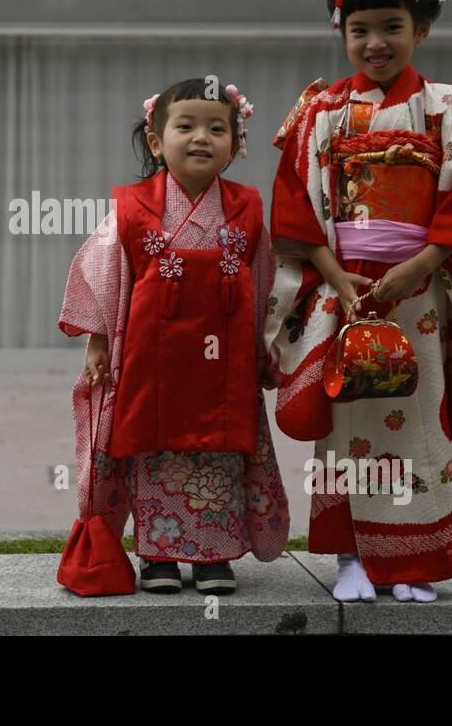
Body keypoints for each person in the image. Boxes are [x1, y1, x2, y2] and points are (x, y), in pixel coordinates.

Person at [265, 0, 452, 603]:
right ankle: (349, 557)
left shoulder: (441, 107)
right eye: (359, 28)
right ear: (339, 32)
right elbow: (295, 206)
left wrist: (424, 262)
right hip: (347, 290)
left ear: (421, 29)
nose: (375, 43)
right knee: (346, 425)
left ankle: (412, 560)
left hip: (416, 289)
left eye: (391, 26)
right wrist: (337, 276)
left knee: (419, 417)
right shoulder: (323, 111)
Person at [59, 78, 289, 595]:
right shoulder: (132, 207)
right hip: (152, 363)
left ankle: (213, 556)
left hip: (223, 365)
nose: (201, 137)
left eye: (217, 128)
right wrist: (98, 341)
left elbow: (264, 283)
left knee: (220, 451)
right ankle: (158, 555)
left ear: (236, 142)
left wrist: (262, 350)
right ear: (157, 141)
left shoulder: (247, 210)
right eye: (185, 126)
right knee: (155, 450)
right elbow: (105, 273)